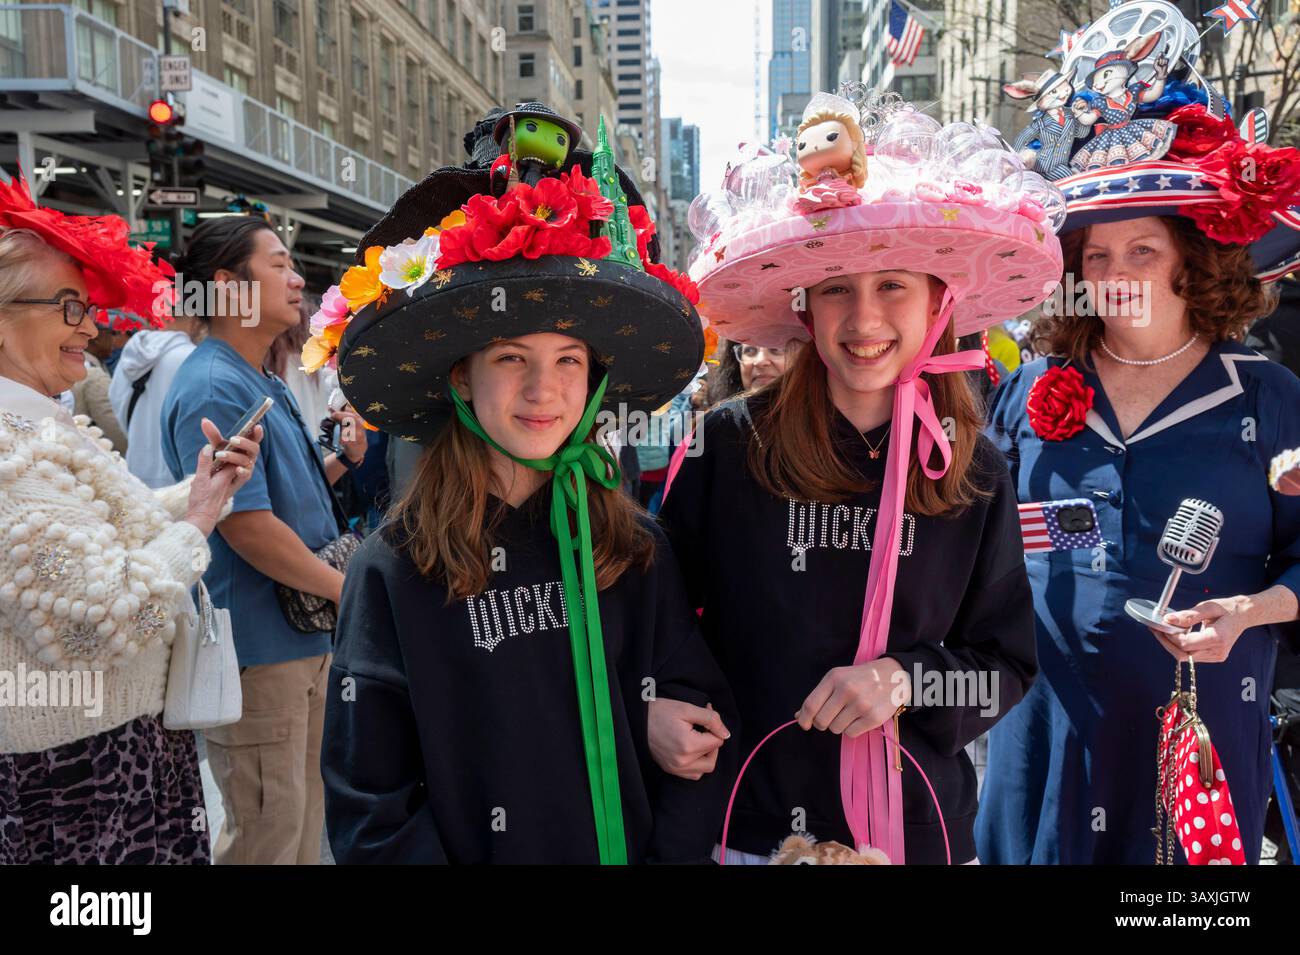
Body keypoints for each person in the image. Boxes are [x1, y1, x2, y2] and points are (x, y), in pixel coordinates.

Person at [652, 91, 1066, 864]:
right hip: (750, 821)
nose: (863, 319)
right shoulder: (729, 444)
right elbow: (654, 615)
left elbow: (1003, 670)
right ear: (805, 307)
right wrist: (658, 705)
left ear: (940, 302)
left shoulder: (974, 469)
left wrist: (908, 681)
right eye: (838, 287)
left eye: (893, 288)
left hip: (916, 830)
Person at [318, 108, 738, 864]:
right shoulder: (392, 571)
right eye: (512, 356)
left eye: (569, 360)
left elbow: (699, 728)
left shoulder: (634, 549)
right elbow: (369, 807)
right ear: (461, 375)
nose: (544, 389)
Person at [976, 8, 1300, 864]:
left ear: (1192, 261)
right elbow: (967, 558)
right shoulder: (1027, 394)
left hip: (1198, 740)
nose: (1115, 277)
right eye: (1097, 257)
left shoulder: (1266, 397)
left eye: (1142, 253)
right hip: (1040, 744)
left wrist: (1254, 610)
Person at [0, 175, 261, 863]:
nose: (91, 326)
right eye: (68, 307)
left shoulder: (42, 428)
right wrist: (196, 524)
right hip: (79, 782)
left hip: (117, 756)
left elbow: (119, 524)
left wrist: (200, 491)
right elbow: (104, 619)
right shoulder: (9, 454)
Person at [160, 215, 369, 865]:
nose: (298, 276)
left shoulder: (258, 375)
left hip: (296, 637)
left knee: (301, 826)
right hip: (260, 646)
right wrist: (348, 589)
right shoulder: (217, 380)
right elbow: (245, 527)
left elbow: (279, 500)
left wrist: (341, 462)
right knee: (268, 833)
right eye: (278, 262)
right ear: (229, 286)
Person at [110, 310, 203, 488]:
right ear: (197, 321)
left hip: (135, 472)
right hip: (179, 479)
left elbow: (116, 400)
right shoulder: (193, 358)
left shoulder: (130, 355)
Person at [71, 313, 128, 452]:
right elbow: (115, 428)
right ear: (96, 338)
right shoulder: (92, 374)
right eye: (111, 334)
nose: (113, 341)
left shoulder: (88, 366)